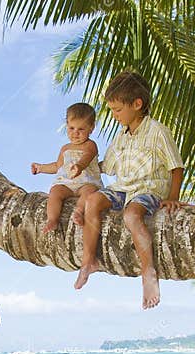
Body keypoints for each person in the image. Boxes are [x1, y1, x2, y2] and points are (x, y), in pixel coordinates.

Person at [72, 71, 185, 309]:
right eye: (112, 110)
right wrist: (79, 166)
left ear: (137, 104)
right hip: (123, 188)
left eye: (117, 110)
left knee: (132, 215)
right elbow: (107, 166)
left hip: (148, 188)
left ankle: (148, 273)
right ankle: (88, 261)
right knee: (92, 201)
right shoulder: (121, 136)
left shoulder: (158, 131)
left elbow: (176, 167)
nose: (114, 115)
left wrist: (173, 197)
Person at [30, 102, 103, 233]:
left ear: (91, 128)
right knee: (55, 192)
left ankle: (79, 211)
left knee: (90, 191)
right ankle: (52, 219)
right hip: (66, 183)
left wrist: (79, 166)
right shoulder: (65, 148)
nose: (75, 133)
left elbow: (87, 156)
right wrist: (41, 168)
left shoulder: (90, 145)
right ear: (67, 126)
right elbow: (58, 166)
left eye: (81, 129)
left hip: (86, 182)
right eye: (71, 128)